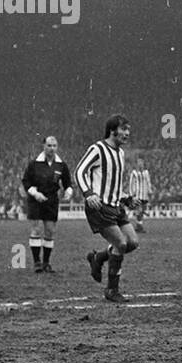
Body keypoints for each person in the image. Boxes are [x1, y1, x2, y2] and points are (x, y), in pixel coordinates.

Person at [75, 114, 140, 303]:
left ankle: (98, 258)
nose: (127, 133)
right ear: (112, 130)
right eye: (124, 129)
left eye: (129, 130)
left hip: (115, 206)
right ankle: (112, 290)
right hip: (100, 207)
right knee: (120, 243)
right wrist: (88, 194)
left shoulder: (119, 153)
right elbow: (80, 171)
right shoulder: (98, 149)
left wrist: (126, 198)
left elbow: (114, 184)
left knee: (133, 243)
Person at [22, 135, 73, 273]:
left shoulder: (61, 165)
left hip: (51, 201)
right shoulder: (34, 164)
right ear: (43, 146)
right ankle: (37, 262)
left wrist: (68, 192)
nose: (52, 148)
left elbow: (68, 183)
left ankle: (46, 263)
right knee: (36, 229)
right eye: (49, 145)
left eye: (54, 146)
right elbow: (26, 181)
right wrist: (35, 193)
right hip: (36, 200)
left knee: (50, 231)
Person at [128, 157, 153, 233]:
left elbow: (148, 182)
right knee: (139, 210)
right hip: (137, 195)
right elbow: (131, 183)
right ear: (137, 164)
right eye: (139, 162)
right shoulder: (134, 173)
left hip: (144, 195)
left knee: (142, 211)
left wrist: (150, 190)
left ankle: (138, 226)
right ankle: (139, 227)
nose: (140, 164)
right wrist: (131, 194)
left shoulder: (146, 172)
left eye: (141, 162)